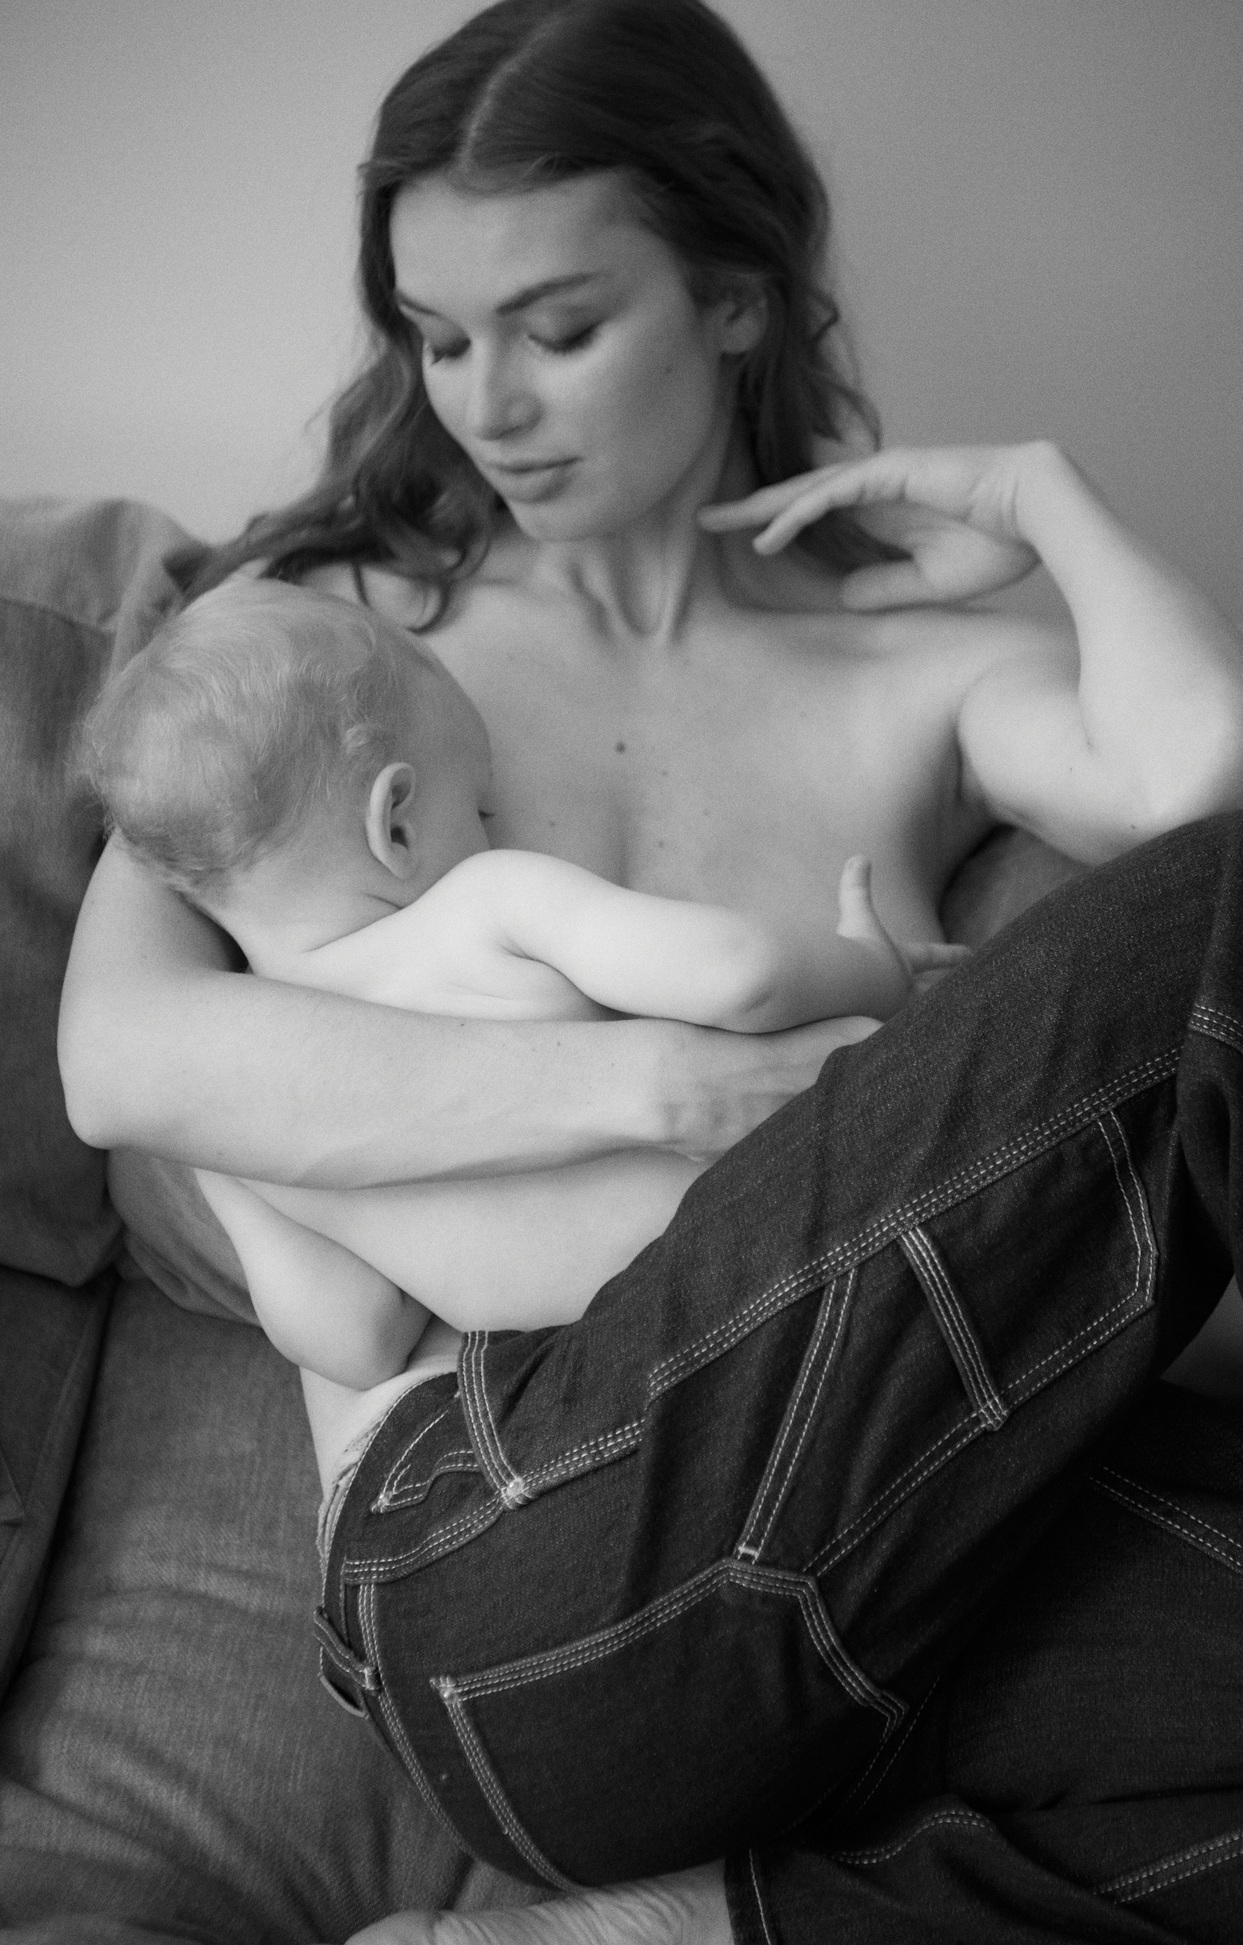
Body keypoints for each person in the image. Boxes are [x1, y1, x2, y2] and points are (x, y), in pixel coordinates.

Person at [55, 0, 1243, 1945]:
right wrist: (683, 1095)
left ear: (738, 298)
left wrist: (1046, 505)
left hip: (891, 1530)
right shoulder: (321, 660)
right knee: (1230, 929)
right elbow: (123, 1061)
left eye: (558, 326)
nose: (486, 403)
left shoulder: (901, 661)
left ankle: (751, 1944)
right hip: (509, 1563)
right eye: (436, 336)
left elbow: (1215, 780)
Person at [80, 576, 950, 1436]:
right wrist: (868, 965)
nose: (494, 823)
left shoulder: (242, 1125)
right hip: (748, 1269)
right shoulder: (485, 905)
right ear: (397, 824)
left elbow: (352, 1334)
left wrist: (239, 1175)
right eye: (482, 801)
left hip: (549, 1405)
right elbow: (738, 974)